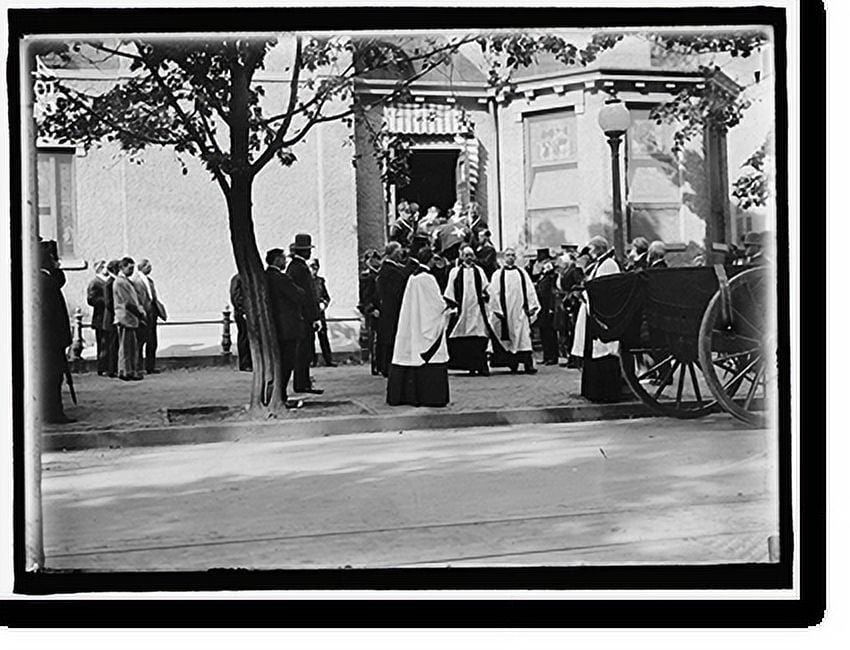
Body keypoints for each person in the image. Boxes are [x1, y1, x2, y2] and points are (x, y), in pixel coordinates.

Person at [386, 247, 454, 407]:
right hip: (426, 322)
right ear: (430, 260)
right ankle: (431, 396)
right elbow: (436, 304)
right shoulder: (428, 279)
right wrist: (447, 306)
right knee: (430, 352)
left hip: (413, 320)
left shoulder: (413, 277)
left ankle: (408, 395)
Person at [571, 236, 623, 402]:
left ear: (599, 249)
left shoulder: (608, 265)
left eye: (592, 249)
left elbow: (603, 290)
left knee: (602, 352)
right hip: (592, 312)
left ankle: (605, 393)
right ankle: (593, 391)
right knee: (593, 352)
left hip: (602, 315)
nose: (590, 252)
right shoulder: (599, 264)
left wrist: (585, 294)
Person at [488, 247, 541, 374]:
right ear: (503, 258)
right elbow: (494, 293)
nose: (510, 257)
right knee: (509, 340)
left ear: (515, 258)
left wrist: (532, 306)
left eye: (512, 255)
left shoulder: (522, 273)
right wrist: (497, 309)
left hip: (520, 312)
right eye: (508, 255)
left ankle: (528, 364)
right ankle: (512, 363)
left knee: (524, 337)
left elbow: (529, 290)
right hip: (505, 313)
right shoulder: (497, 275)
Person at [38, 241, 74, 423]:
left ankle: (51, 412)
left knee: (52, 377)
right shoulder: (45, 282)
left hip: (49, 341)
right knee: (52, 378)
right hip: (50, 341)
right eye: (53, 259)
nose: (56, 261)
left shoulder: (43, 279)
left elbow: (59, 281)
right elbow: (52, 315)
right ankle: (53, 413)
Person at [265, 248, 306, 409]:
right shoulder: (280, 278)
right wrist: (301, 290)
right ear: (276, 260)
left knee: (276, 364)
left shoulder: (265, 277)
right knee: (286, 363)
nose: (285, 261)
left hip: (274, 327)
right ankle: (280, 396)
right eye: (282, 258)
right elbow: (298, 295)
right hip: (287, 327)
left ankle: (273, 395)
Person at [443, 245, 492, 376]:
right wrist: (452, 305)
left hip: (477, 309)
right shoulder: (455, 272)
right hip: (462, 310)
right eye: (466, 255)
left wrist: (487, 296)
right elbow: (450, 289)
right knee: (463, 338)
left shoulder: (479, 271)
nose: (469, 258)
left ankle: (481, 366)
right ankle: (468, 366)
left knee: (479, 336)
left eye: (471, 255)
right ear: (462, 257)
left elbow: (486, 287)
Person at [286, 233, 324, 395]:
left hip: (301, 316)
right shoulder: (300, 268)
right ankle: (302, 383)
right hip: (304, 317)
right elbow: (308, 296)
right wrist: (315, 317)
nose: (309, 253)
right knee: (304, 351)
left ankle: (303, 381)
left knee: (304, 351)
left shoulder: (295, 267)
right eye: (308, 250)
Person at [375, 241, 409, 378]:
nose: (401, 254)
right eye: (398, 251)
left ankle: (385, 365)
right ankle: (387, 366)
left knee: (388, 337)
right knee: (389, 338)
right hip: (391, 309)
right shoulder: (390, 270)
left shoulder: (391, 269)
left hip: (389, 308)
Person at [113, 257, 146, 381]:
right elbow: (128, 301)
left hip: (129, 317)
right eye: (130, 268)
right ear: (122, 267)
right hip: (126, 317)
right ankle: (125, 371)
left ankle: (128, 370)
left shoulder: (125, 281)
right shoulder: (120, 282)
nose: (132, 271)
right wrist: (139, 313)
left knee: (130, 346)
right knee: (126, 346)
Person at [136, 258, 167, 373]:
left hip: (152, 314)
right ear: (142, 267)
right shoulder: (136, 281)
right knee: (140, 342)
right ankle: (139, 367)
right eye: (148, 266)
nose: (150, 268)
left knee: (152, 342)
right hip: (143, 315)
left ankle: (150, 366)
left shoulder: (149, 280)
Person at [357, 249, 382, 375]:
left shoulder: (380, 274)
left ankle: (381, 362)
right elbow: (365, 296)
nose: (375, 261)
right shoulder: (367, 277)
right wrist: (371, 309)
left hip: (382, 309)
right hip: (373, 311)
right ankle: (375, 363)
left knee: (381, 337)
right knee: (374, 338)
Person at [309, 258, 337, 367]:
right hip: (310, 312)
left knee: (323, 336)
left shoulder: (320, 281)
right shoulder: (306, 281)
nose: (314, 269)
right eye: (312, 267)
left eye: (316, 267)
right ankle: (312, 360)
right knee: (310, 337)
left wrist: (324, 304)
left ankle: (328, 359)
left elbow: (326, 296)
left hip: (320, 312)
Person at [86, 259, 109, 375]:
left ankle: (108, 366)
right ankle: (102, 368)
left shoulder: (107, 281)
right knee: (102, 344)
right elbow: (91, 299)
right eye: (104, 267)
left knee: (109, 344)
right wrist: (105, 301)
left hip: (107, 317)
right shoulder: (95, 283)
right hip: (100, 318)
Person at [535, 260, 560, 365]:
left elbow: (551, 294)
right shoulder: (542, 277)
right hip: (542, 308)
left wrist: (551, 308)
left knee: (549, 333)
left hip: (547, 308)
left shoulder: (550, 279)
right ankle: (546, 356)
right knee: (543, 333)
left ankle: (552, 356)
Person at [102, 259, 121, 378]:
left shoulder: (115, 281)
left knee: (115, 344)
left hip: (114, 317)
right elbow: (108, 302)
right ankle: (111, 369)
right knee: (112, 345)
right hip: (111, 318)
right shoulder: (109, 283)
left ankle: (114, 368)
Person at [229, 272, 252, 371]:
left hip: (244, 312)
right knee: (244, 337)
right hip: (243, 313)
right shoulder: (239, 279)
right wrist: (243, 310)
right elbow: (236, 296)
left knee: (246, 337)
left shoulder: (240, 278)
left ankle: (247, 362)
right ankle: (245, 363)